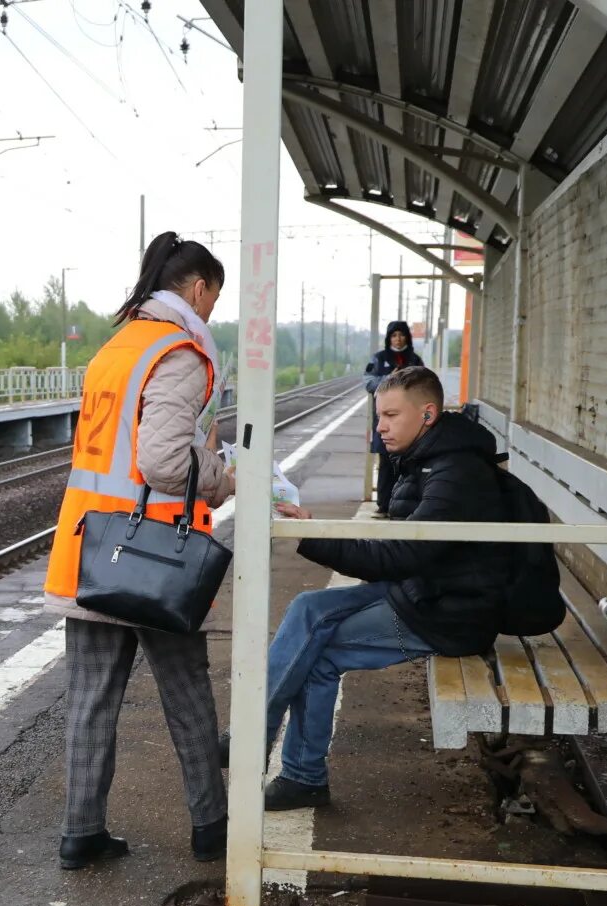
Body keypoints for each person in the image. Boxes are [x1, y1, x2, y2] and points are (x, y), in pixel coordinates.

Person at [43, 231, 237, 870]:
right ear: (199, 288)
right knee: (186, 693)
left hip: (94, 548)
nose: (210, 315)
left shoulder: (116, 346)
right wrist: (224, 474)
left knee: (91, 698)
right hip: (159, 558)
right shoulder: (178, 353)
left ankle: (80, 832)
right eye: (212, 300)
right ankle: (211, 827)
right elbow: (159, 461)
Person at [264, 365, 512, 809]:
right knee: (307, 607)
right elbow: (400, 545)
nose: (380, 426)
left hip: (449, 613)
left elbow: (398, 557)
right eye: (379, 416)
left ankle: (298, 772)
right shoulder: (427, 459)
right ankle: (260, 738)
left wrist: (311, 539)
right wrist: (317, 528)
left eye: (391, 416)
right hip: (426, 589)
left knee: (319, 656)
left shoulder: (454, 473)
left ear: (428, 414)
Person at [362, 320, 423, 514]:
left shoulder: (415, 360)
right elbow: (368, 383)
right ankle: (384, 504)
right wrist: (390, 379)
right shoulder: (379, 359)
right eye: (394, 335)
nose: (398, 339)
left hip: (410, 421)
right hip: (385, 420)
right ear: (389, 338)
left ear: (407, 337)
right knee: (386, 462)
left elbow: (424, 385)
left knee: (409, 462)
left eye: (402, 335)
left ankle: (405, 506)